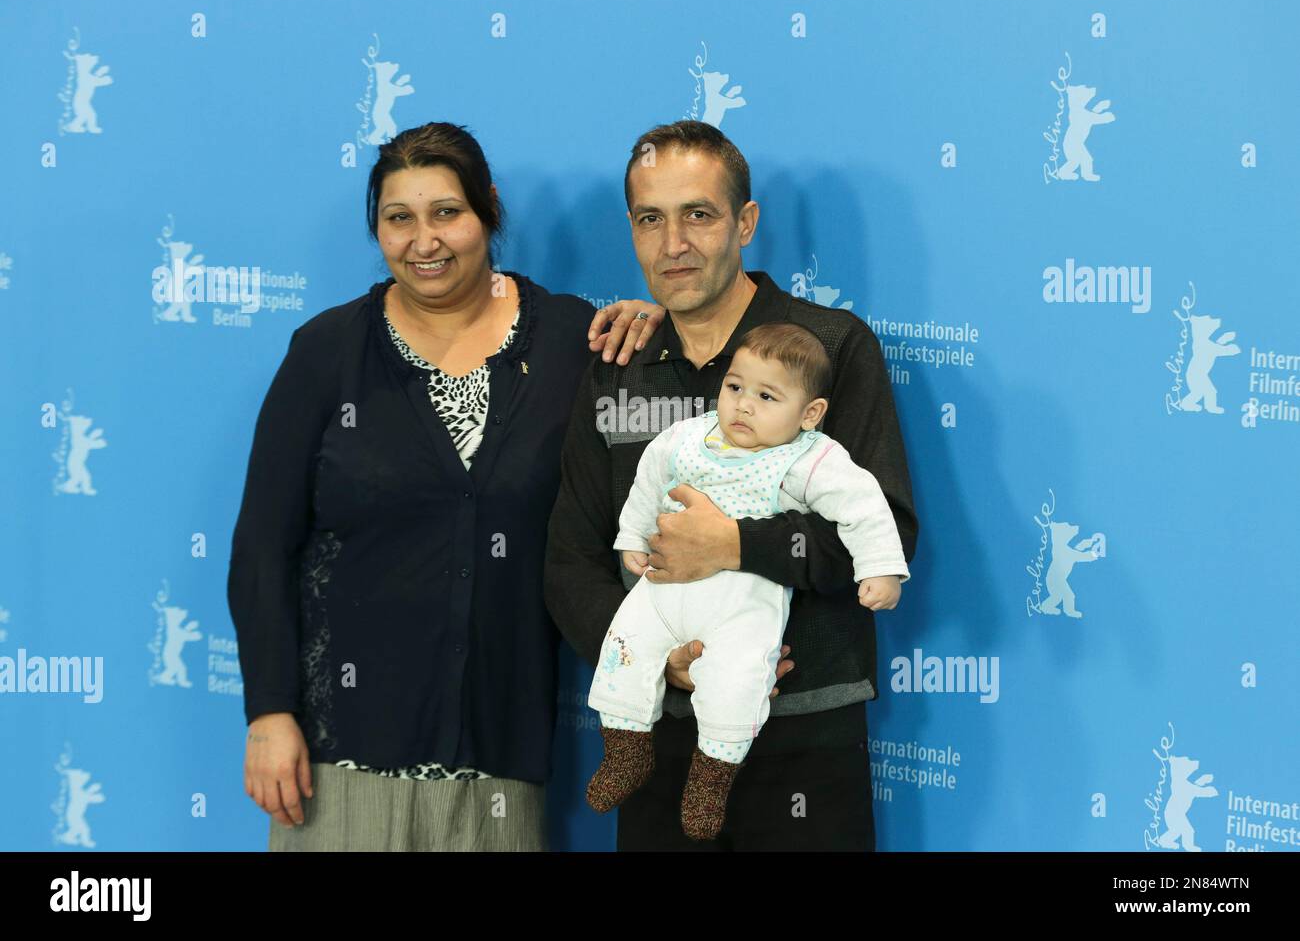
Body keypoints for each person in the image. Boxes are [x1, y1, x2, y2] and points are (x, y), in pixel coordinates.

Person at [228, 121, 662, 852]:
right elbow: (262, 547)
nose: (423, 241)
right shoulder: (327, 351)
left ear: (487, 209)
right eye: (399, 218)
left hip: (498, 757)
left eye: (446, 213)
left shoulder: (571, 341)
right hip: (338, 758)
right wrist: (269, 712)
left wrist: (664, 328)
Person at [544, 120, 919, 851]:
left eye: (699, 215)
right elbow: (570, 559)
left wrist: (735, 545)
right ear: (631, 231)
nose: (673, 243)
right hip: (655, 738)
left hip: (804, 732)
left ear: (746, 223)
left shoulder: (830, 351)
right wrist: (663, 661)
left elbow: (884, 533)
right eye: (651, 219)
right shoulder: (622, 363)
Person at [585, 323, 910, 840]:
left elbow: (864, 507)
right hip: (663, 591)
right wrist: (632, 535)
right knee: (625, 647)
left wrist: (879, 568)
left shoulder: (808, 458)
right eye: (735, 387)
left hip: (743, 602)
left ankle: (712, 775)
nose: (742, 406)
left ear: (809, 414)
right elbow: (649, 478)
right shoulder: (687, 435)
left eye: (766, 396)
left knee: (738, 679)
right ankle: (625, 749)